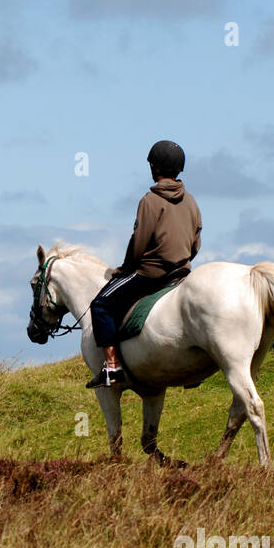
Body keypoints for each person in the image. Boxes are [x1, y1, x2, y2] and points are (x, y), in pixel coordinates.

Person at [86, 140, 201, 388]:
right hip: (181, 272)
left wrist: (125, 268)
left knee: (100, 305)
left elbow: (139, 241)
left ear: (155, 167)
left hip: (152, 273)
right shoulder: (191, 201)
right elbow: (196, 243)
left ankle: (112, 368)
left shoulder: (150, 200)